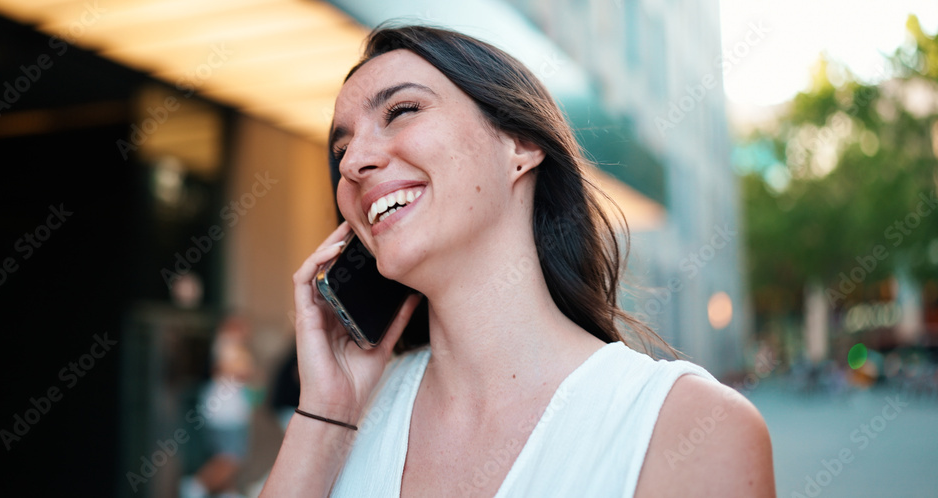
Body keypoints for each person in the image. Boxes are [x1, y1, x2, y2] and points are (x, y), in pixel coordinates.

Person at [259, 25, 775, 497]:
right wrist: (325, 414)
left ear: (520, 144)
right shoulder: (340, 421)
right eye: (341, 147)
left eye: (400, 111)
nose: (351, 164)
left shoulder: (689, 428)